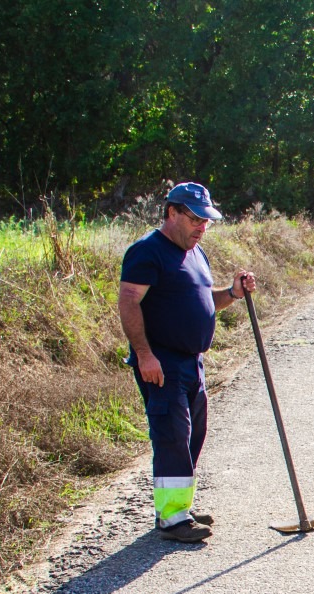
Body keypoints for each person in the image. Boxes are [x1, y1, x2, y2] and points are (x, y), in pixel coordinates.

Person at [117, 182, 256, 543]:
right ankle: (172, 519)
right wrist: (145, 355)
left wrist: (233, 294)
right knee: (172, 436)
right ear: (172, 213)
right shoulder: (147, 252)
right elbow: (129, 300)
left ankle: (179, 507)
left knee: (193, 435)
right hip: (162, 362)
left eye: (205, 221)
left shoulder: (196, 253)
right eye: (194, 218)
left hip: (192, 363)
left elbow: (202, 299)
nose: (200, 227)